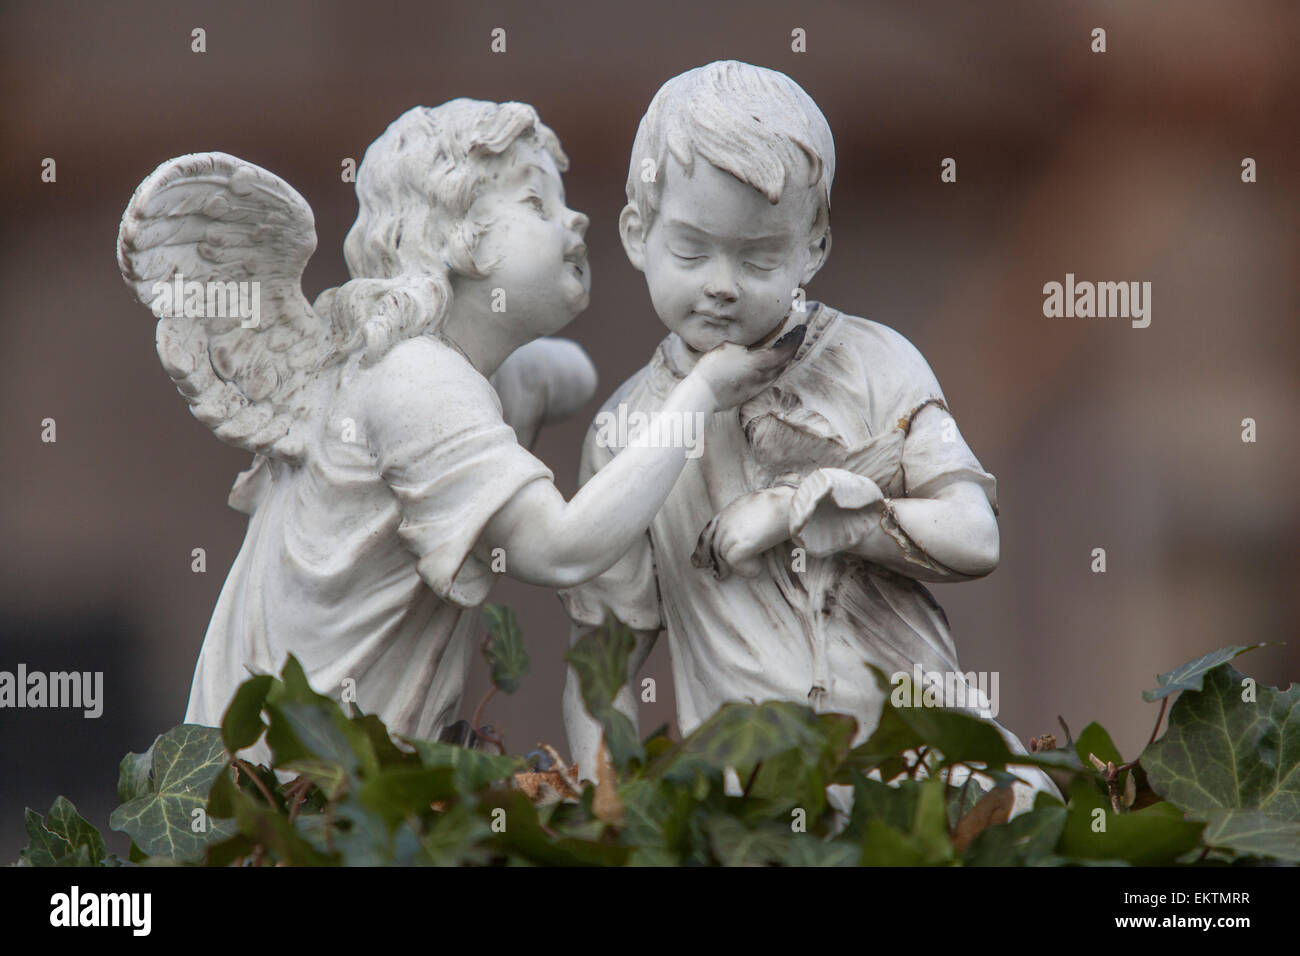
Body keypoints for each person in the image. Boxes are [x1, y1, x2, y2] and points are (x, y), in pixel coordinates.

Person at [161, 99, 800, 761]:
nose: (575, 218)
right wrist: (698, 394)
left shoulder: (435, 373)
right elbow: (560, 549)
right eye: (537, 202)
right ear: (453, 236)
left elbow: (571, 375)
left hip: (341, 783)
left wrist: (521, 375)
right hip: (294, 791)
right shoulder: (417, 383)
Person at [559, 62, 1057, 812]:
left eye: (759, 256)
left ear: (813, 249)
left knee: (1032, 808)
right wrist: (615, 814)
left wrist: (822, 509)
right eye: (692, 251)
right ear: (637, 233)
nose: (722, 284)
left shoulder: (875, 362)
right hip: (753, 795)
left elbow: (974, 536)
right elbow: (604, 659)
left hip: (921, 772)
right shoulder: (628, 434)